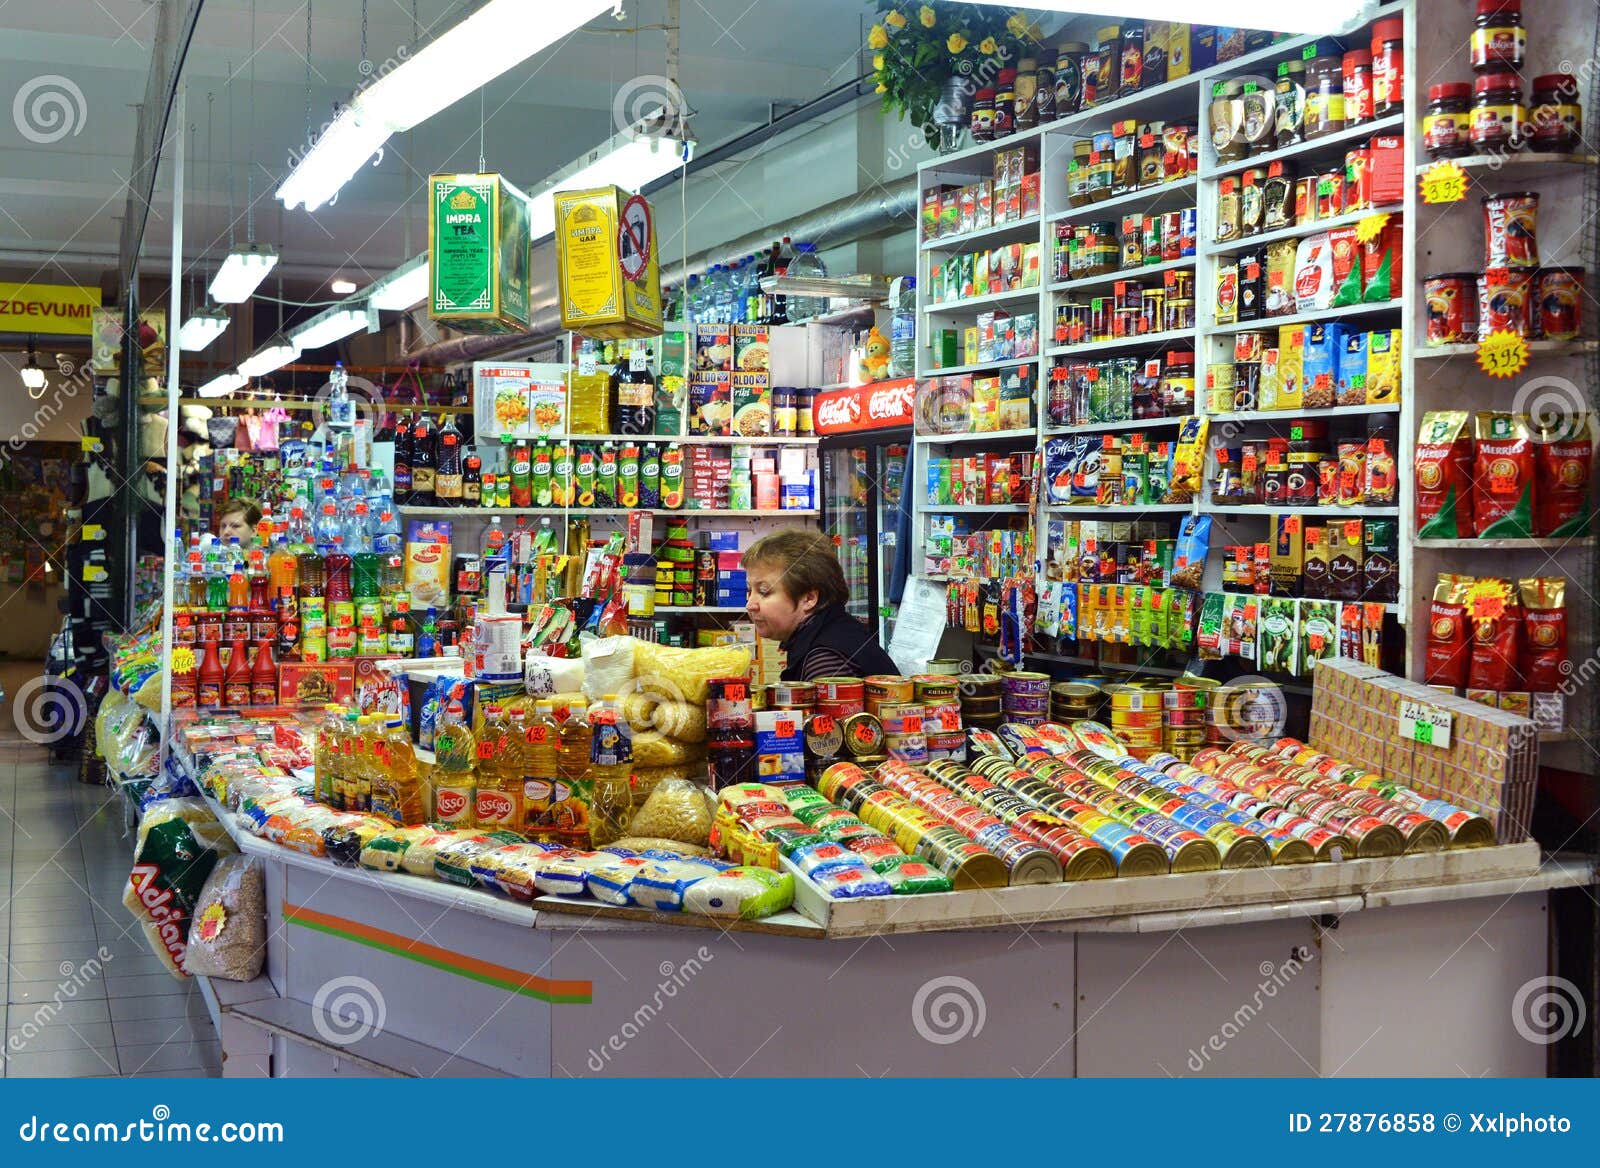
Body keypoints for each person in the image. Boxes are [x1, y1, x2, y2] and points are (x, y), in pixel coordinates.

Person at [743, 528, 898, 682]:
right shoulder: (828, 632)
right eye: (749, 590)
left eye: (764, 592)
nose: (750, 605)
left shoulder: (825, 661)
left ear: (809, 598)